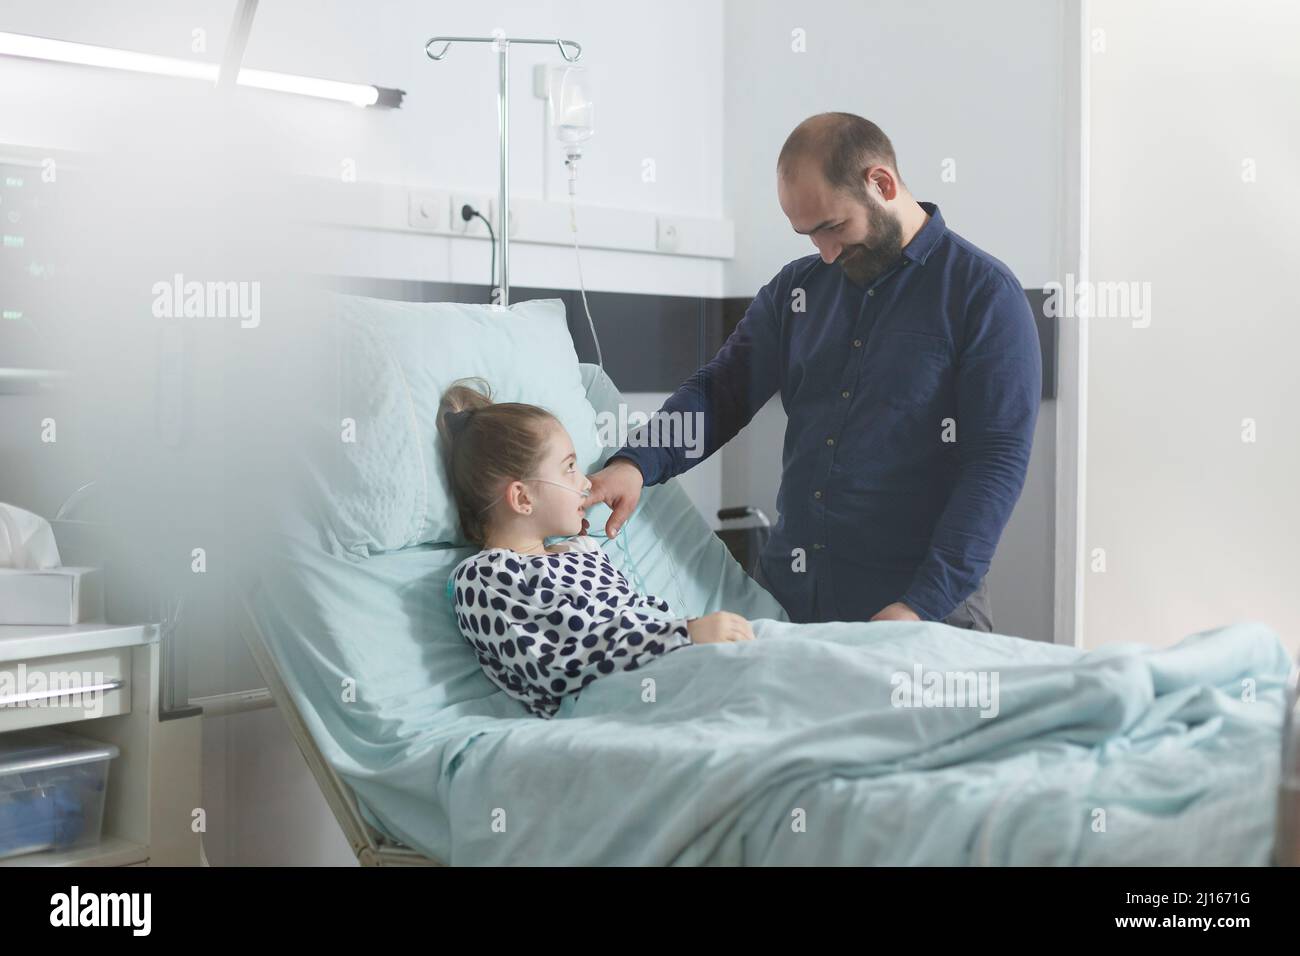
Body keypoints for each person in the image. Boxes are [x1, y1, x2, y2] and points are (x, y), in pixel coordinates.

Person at [589, 112, 1042, 631]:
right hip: (790, 603)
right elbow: (720, 394)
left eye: (833, 228)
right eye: (808, 235)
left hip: (921, 613)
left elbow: (995, 465)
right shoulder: (796, 292)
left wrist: (920, 605)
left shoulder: (984, 296)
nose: (826, 253)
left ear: (882, 184)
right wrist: (638, 462)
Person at [437, 378, 754, 719]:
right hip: (620, 699)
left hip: (674, 660)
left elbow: (637, 614)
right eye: (570, 467)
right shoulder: (484, 578)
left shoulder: (583, 550)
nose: (585, 482)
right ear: (523, 497)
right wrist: (684, 635)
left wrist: (690, 636)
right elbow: (559, 666)